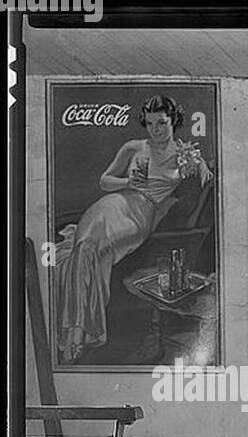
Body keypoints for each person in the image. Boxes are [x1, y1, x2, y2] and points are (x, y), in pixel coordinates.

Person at [55, 93, 213, 363]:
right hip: (112, 203)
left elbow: (208, 180)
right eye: (150, 124)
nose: (156, 130)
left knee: (95, 252)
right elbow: (105, 181)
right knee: (83, 249)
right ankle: (76, 331)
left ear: (173, 121)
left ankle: (79, 331)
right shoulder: (133, 147)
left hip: (140, 215)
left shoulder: (186, 155)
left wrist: (201, 168)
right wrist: (128, 182)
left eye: (161, 123)